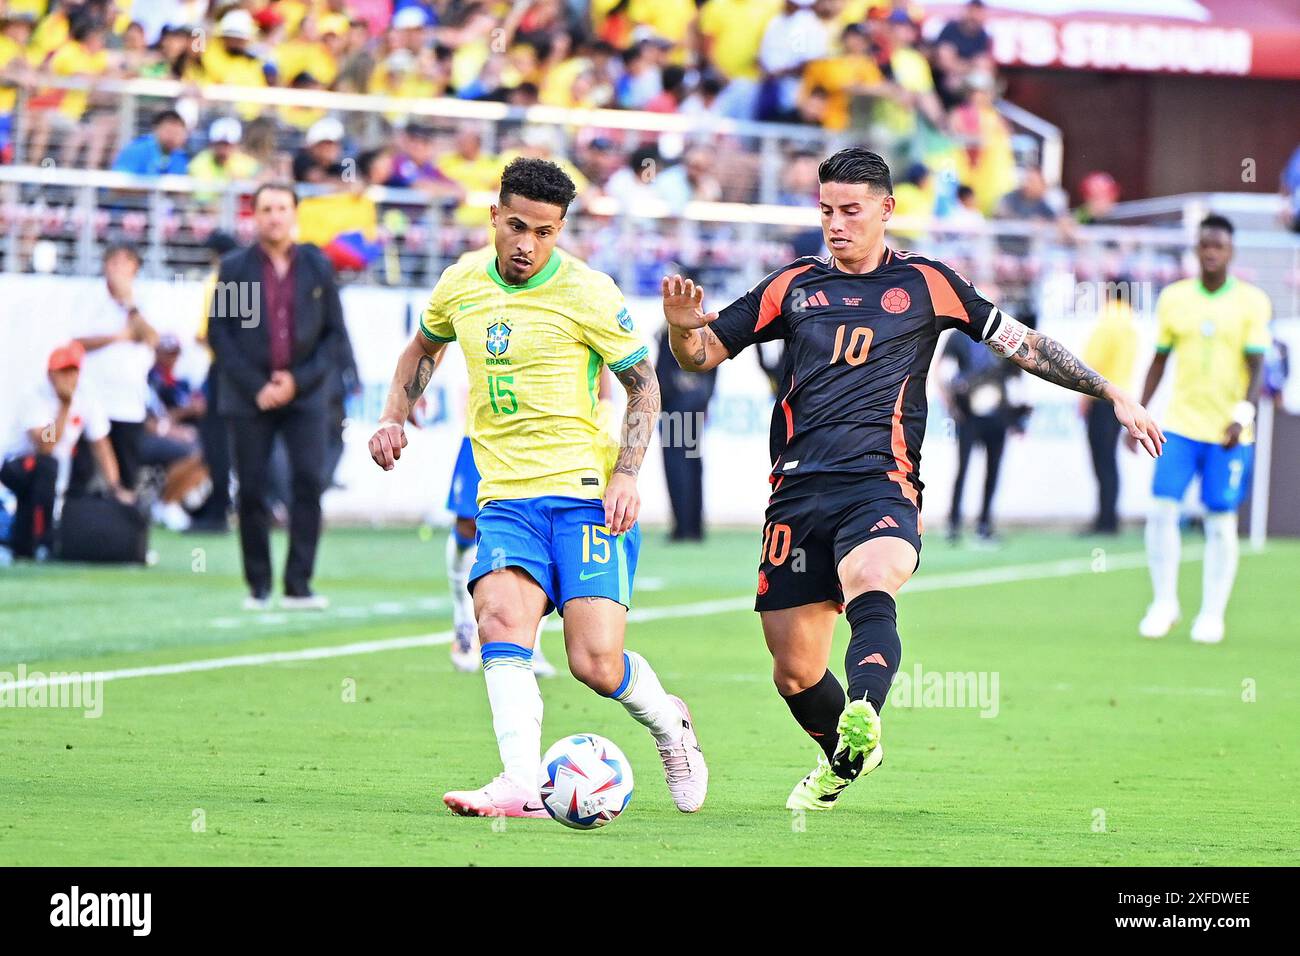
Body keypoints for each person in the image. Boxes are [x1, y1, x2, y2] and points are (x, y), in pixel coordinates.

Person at [661, 147, 1164, 811]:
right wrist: (677, 329)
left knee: (873, 580)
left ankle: (864, 711)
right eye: (826, 211)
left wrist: (1112, 392)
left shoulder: (929, 284)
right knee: (793, 670)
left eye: (851, 211)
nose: (836, 224)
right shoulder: (791, 287)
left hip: (881, 481)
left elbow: (1024, 344)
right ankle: (847, 754)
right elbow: (701, 355)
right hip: (797, 491)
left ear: (887, 210)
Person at [368, 157, 707, 819]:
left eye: (545, 232)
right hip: (505, 495)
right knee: (499, 618)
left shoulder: (589, 291)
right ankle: (522, 781)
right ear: (494, 216)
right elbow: (423, 348)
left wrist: (628, 475)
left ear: (561, 231)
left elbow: (644, 385)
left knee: (595, 663)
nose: (527, 244)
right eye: (517, 226)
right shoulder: (462, 282)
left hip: (584, 493)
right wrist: (393, 415)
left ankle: (672, 727)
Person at [208, 183, 348, 610]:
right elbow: (222, 335)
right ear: (254, 215)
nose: (274, 216)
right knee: (250, 489)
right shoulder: (235, 267)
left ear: (294, 214)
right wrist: (258, 386)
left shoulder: (317, 266)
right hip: (249, 397)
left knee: (308, 483)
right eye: (266, 208)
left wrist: (295, 382)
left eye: (282, 208)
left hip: (305, 397)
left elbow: (332, 337)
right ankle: (258, 585)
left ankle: (298, 585)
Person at [1132, 215, 1271, 644]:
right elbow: (1159, 358)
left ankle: (1212, 614)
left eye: (1219, 246)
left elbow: (1256, 364)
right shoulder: (1175, 299)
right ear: (1196, 250)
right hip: (1181, 425)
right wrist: (1139, 411)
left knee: (1219, 520)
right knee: (1160, 510)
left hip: (1229, 430)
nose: (1211, 252)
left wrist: (1244, 414)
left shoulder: (1252, 302)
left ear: (1230, 252)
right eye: (1204, 245)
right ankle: (1164, 603)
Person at [1, 342, 127, 559]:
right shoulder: (35, 395)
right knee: (46, 466)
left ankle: (30, 542)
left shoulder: (87, 396)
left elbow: (101, 445)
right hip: (17, 467)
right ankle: (42, 541)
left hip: (54, 477)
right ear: (50, 373)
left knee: (69, 468)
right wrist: (64, 407)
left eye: (72, 371)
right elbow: (46, 445)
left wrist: (115, 487)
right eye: (63, 371)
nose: (68, 378)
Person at [74, 243, 158, 496]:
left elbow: (152, 338)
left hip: (129, 401)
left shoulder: (146, 299)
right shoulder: (89, 298)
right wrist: (117, 337)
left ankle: (123, 528)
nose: (118, 269)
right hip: (92, 397)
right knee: (84, 473)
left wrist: (130, 304)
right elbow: (76, 340)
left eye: (125, 263)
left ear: (136, 267)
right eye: (113, 262)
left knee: (127, 476)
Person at [939, 321, 1028, 544]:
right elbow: (944, 372)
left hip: (998, 413)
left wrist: (1019, 418)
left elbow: (1016, 373)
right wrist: (951, 405)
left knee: (993, 470)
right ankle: (954, 522)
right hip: (969, 413)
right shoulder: (959, 337)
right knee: (963, 468)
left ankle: (984, 523)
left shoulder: (1003, 334)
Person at [1080, 280, 1139, 534]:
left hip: (1102, 398)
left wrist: (1083, 397)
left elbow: (1093, 364)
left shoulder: (1108, 320)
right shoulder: (1130, 323)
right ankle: (1109, 516)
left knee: (1101, 460)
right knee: (1110, 460)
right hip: (1121, 398)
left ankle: (1105, 520)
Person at [656, 322, 716, 541]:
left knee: (677, 467)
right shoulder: (707, 330)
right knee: (692, 465)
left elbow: (662, 372)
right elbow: (712, 370)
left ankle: (682, 527)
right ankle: (694, 526)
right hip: (694, 407)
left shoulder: (671, 329)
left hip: (675, 409)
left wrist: (665, 402)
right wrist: (704, 401)